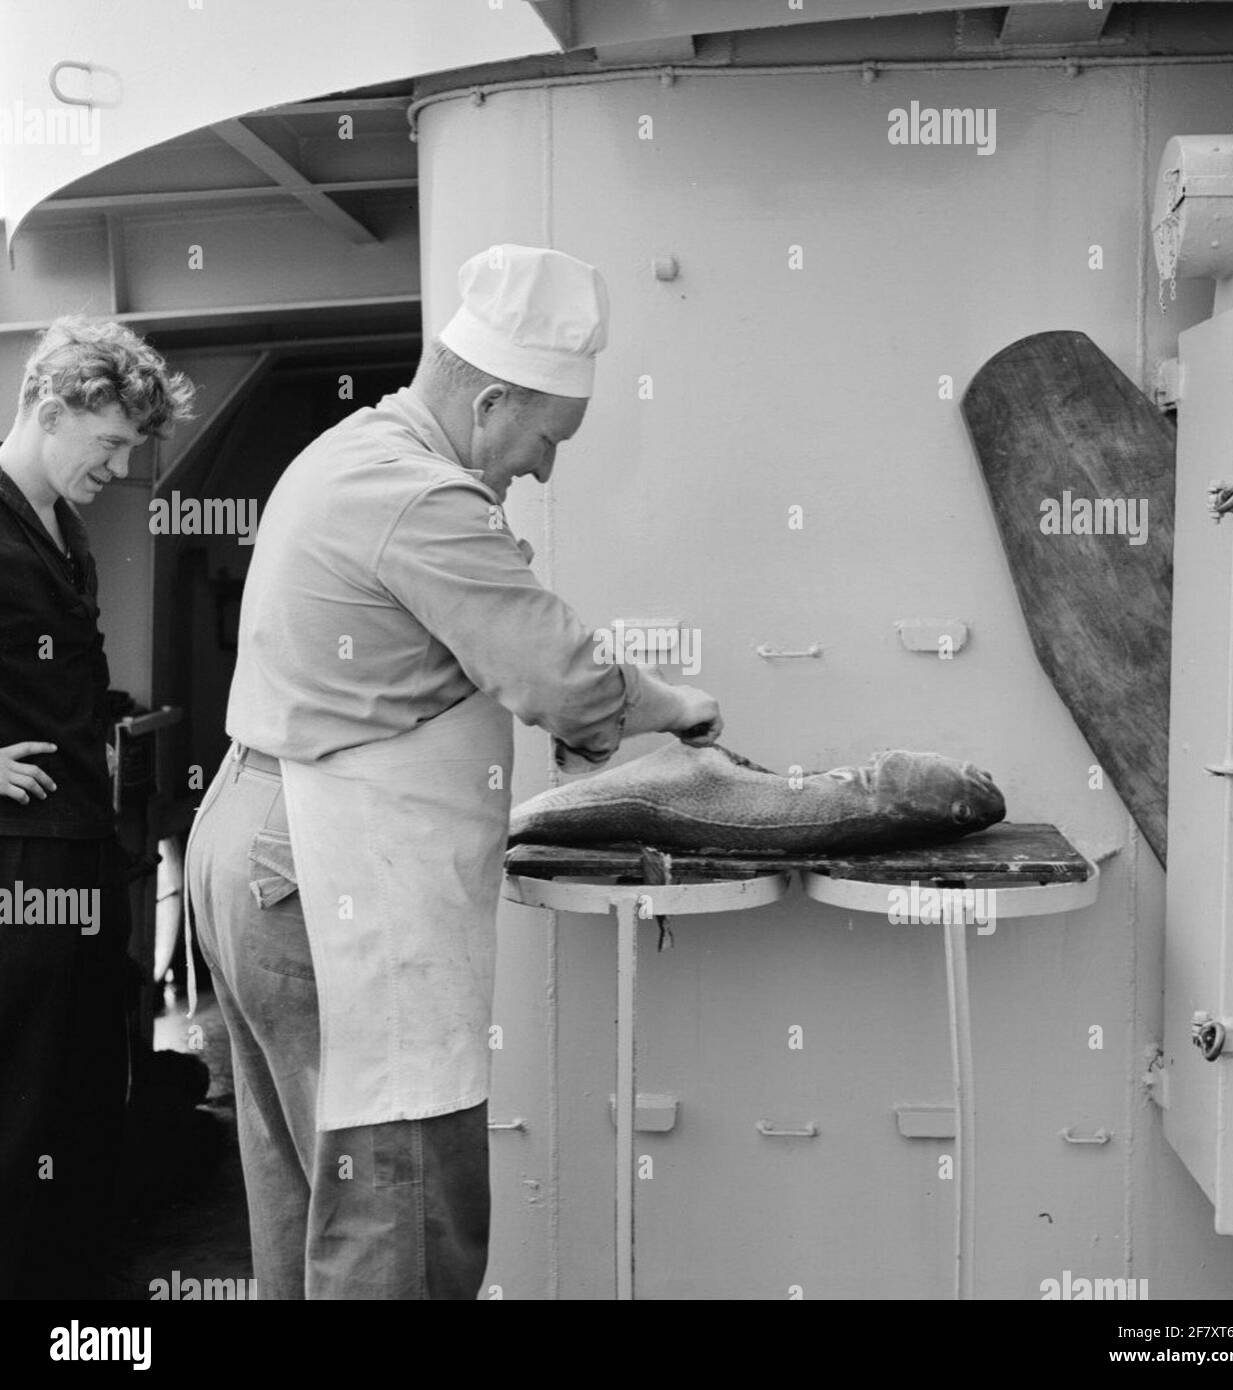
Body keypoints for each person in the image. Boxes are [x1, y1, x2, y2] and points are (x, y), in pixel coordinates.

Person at [186, 244, 722, 1300]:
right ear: (489, 401)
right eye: (543, 437)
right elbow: (562, 678)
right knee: (397, 1210)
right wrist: (677, 708)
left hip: (259, 849)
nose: (542, 467)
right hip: (329, 879)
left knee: (309, 1201)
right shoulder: (420, 495)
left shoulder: (352, 452)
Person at [0, 316, 194, 1298]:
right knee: (23, 1106)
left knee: (83, 1093)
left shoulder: (62, 533)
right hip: (18, 862)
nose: (119, 468)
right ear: (47, 408)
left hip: (79, 849)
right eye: (109, 443)